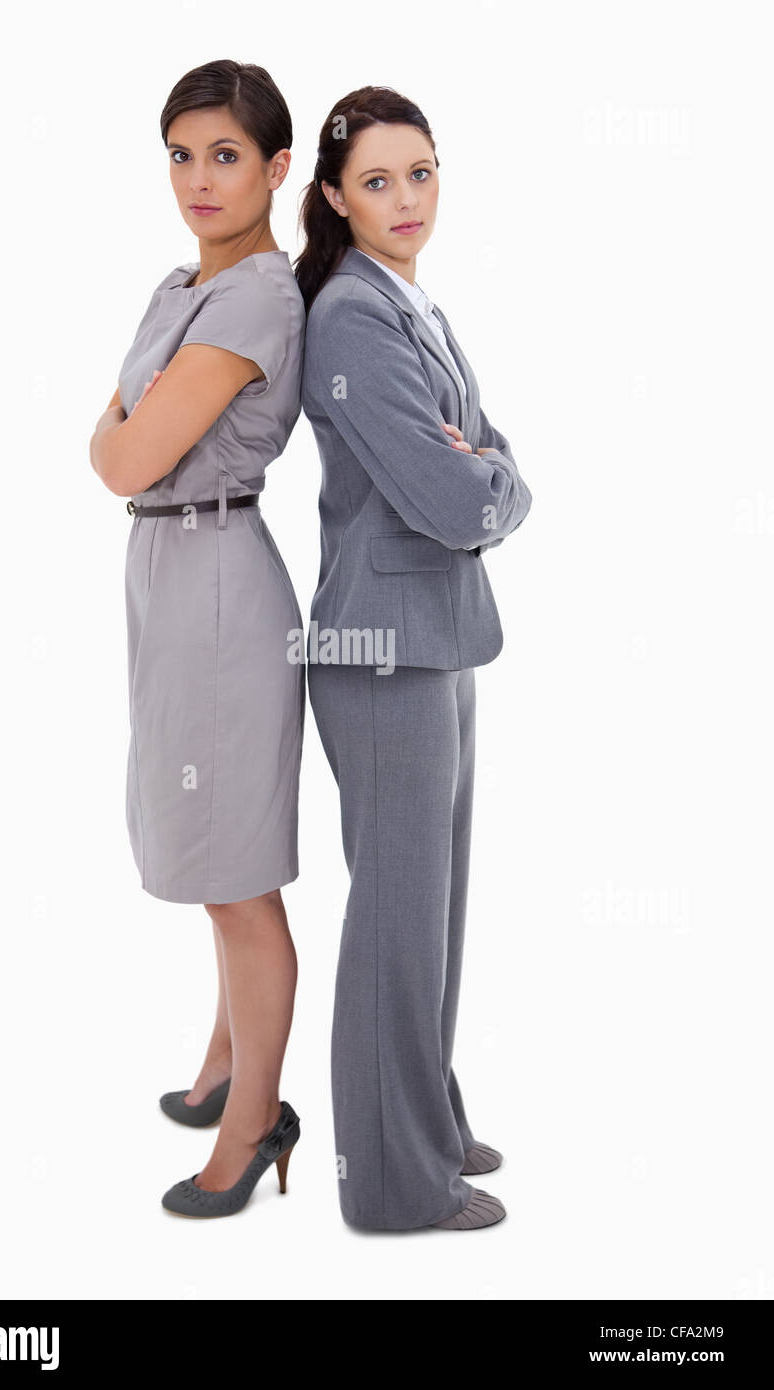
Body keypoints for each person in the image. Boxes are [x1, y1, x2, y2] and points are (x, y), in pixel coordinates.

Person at [294, 86, 533, 1231]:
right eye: (378, 180)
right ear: (335, 196)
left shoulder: (409, 302)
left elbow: (493, 451)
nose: (404, 199)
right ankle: (390, 1181)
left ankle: (423, 1124)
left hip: (436, 632)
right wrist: (486, 479)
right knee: (396, 914)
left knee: (431, 909)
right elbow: (452, 488)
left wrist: (489, 473)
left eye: (421, 172)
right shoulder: (348, 315)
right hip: (380, 645)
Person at [89, 60, 304, 1218]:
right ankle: (226, 1057)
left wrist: (129, 424)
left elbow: (119, 451)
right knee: (204, 837)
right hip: (166, 568)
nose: (198, 179)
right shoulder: (182, 281)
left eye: (225, 155)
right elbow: (116, 438)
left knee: (236, 872)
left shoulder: (261, 294)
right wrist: (128, 426)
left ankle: (253, 1116)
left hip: (219, 578)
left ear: (277, 169)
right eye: (180, 154)